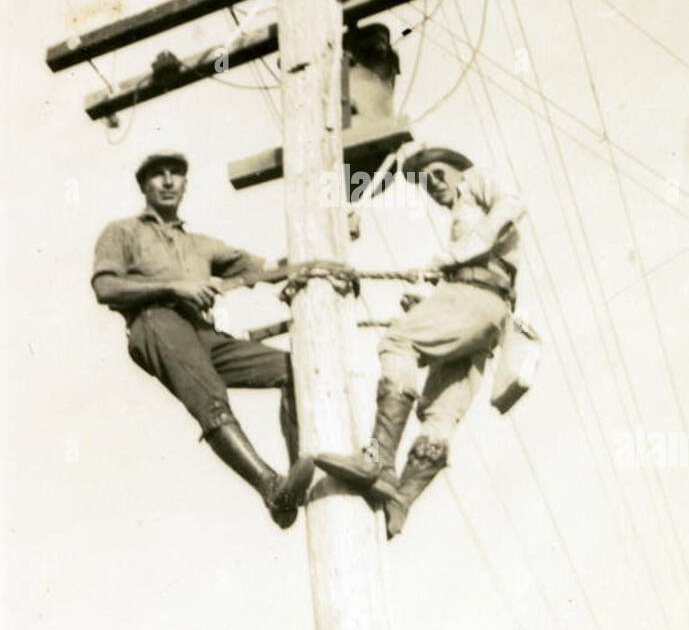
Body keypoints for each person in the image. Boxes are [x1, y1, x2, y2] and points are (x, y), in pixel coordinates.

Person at [91, 152, 312, 528]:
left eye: (175, 175)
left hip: (204, 333)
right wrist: (175, 285)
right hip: (156, 321)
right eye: (157, 176)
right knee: (210, 399)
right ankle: (271, 488)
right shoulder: (123, 231)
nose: (167, 182)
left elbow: (270, 270)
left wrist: (328, 243)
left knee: (295, 370)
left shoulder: (202, 244)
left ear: (185, 184)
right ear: (143, 186)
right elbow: (105, 286)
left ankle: (296, 480)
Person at [314, 146, 525, 537]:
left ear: (457, 170)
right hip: (488, 314)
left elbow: (511, 205)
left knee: (398, 342)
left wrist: (450, 257)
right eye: (426, 183)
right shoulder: (469, 216)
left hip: (476, 297)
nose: (435, 185)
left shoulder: (478, 177)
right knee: (440, 414)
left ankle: (377, 459)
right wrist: (433, 292)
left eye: (438, 174)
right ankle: (402, 498)